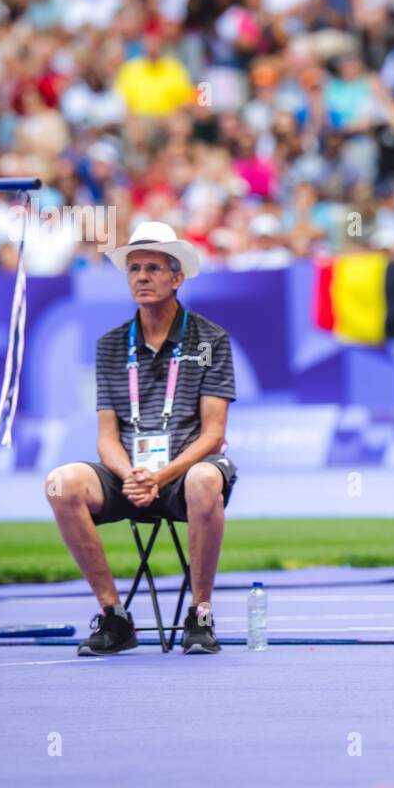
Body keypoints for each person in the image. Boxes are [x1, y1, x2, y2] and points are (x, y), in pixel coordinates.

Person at [45, 221, 238, 654]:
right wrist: (130, 473)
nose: (142, 277)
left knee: (205, 479)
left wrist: (160, 476)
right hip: (129, 473)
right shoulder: (111, 346)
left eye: (153, 268)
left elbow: (213, 434)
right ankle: (114, 616)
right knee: (61, 483)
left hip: (186, 472)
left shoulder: (210, 340)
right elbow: (107, 436)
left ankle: (200, 612)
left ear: (177, 277)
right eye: (134, 269)